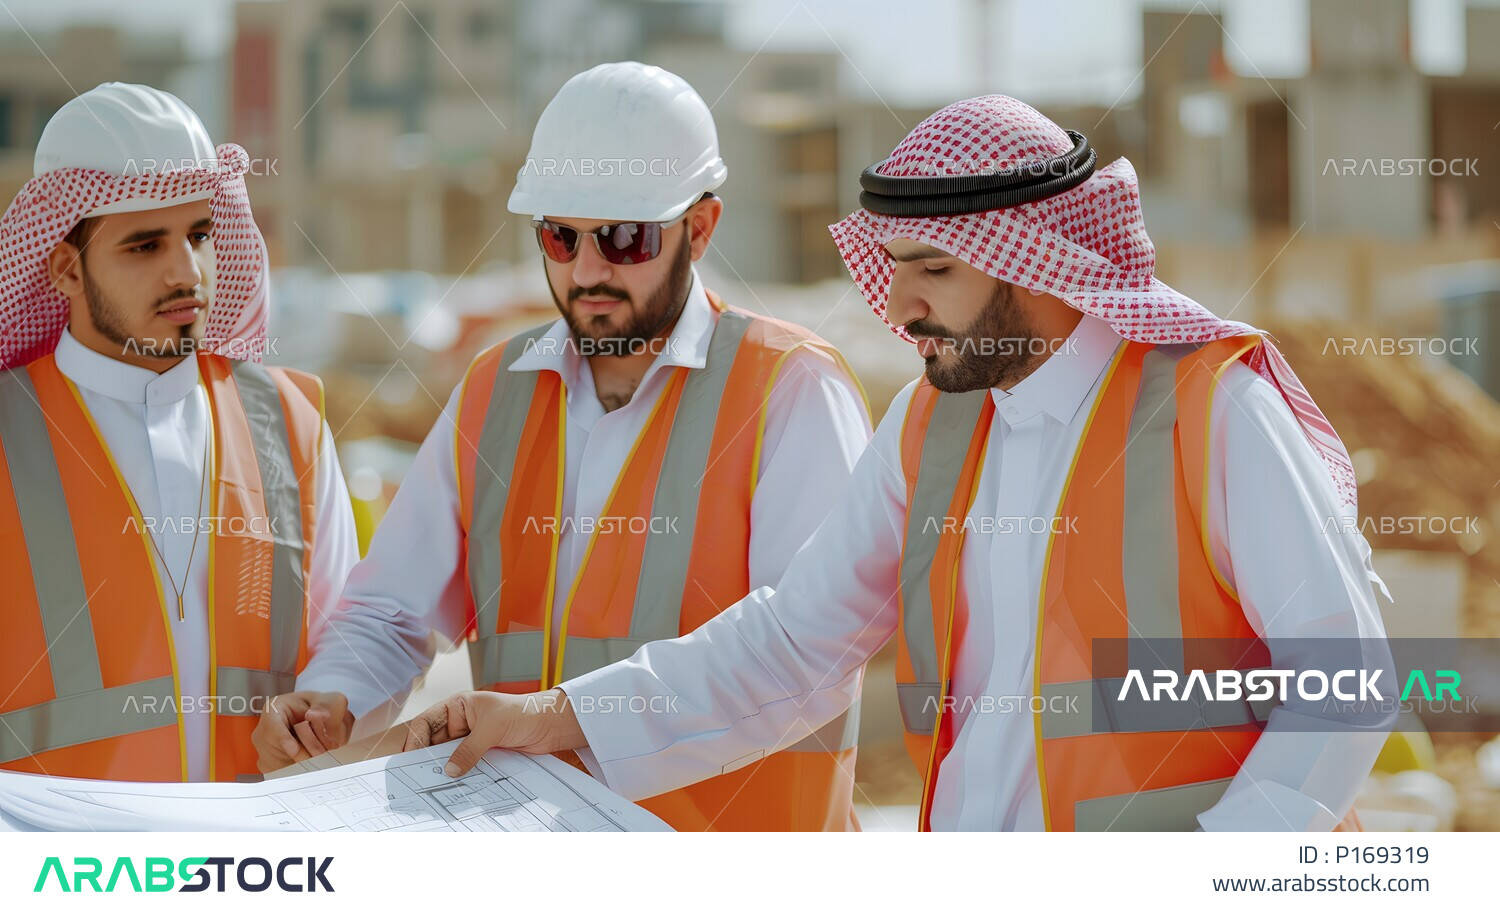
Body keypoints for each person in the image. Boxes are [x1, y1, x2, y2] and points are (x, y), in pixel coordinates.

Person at [400, 95, 1394, 831]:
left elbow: (1345, 680)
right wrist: (553, 713)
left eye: (933, 271)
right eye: (894, 266)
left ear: (1029, 261)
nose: (899, 305)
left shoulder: (1212, 408)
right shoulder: (932, 424)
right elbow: (791, 643)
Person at [256, 63, 873, 831]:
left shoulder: (792, 390)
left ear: (702, 227)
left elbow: (802, 651)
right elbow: (390, 611)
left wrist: (562, 716)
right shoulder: (496, 389)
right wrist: (334, 697)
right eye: (560, 234)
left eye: (623, 237)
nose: (587, 270)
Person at [0, 83, 359, 783]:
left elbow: (350, 645)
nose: (186, 272)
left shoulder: (289, 421)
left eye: (199, 235)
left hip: (252, 872)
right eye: (144, 245)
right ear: (66, 269)